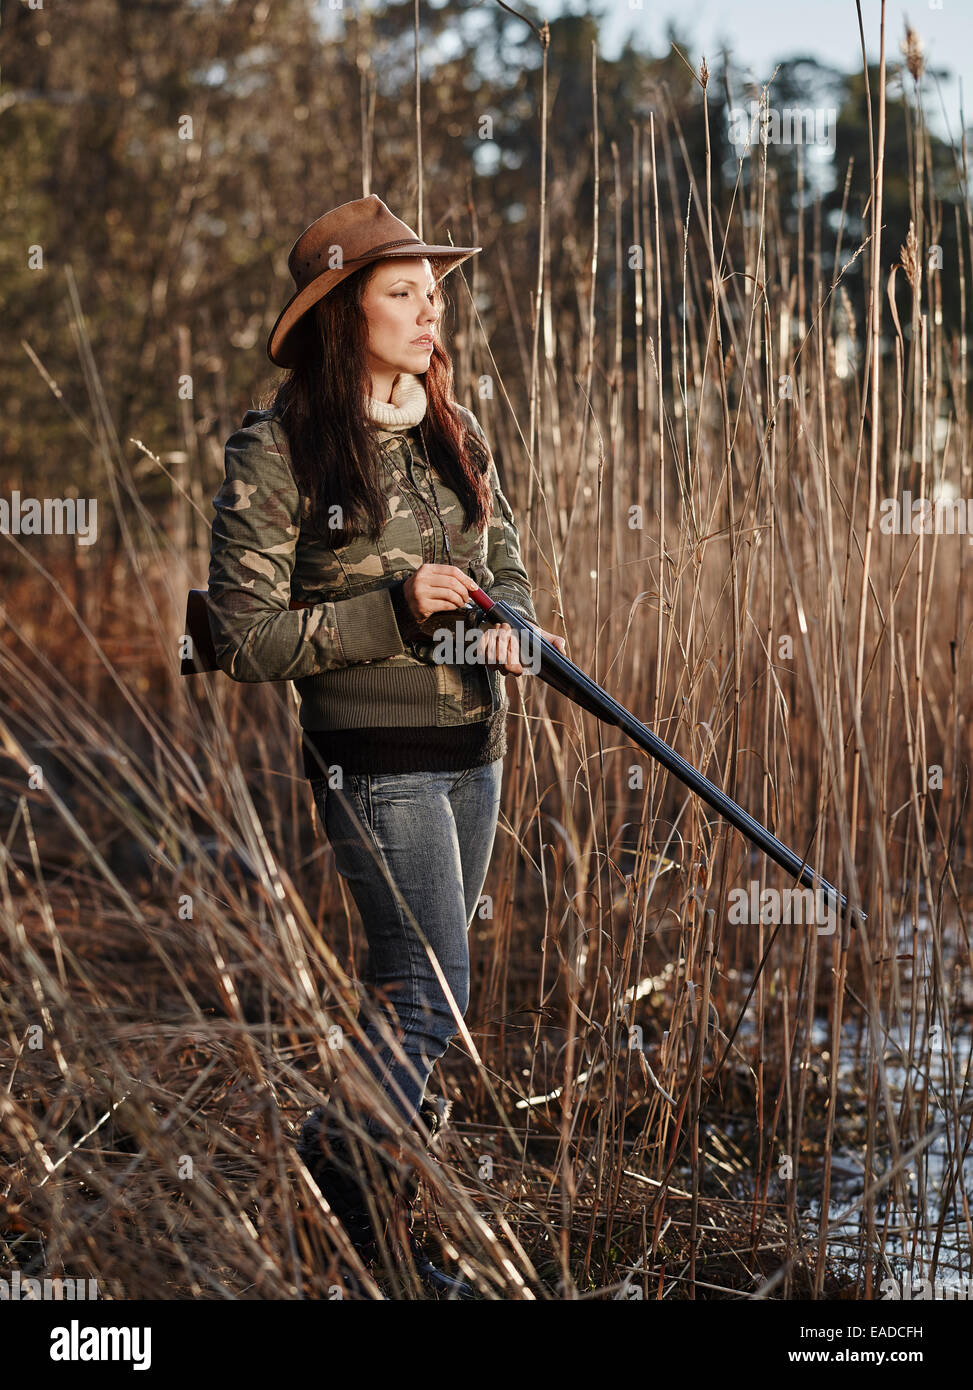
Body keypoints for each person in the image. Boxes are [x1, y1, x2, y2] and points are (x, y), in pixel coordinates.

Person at [206, 195, 565, 1296]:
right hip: (372, 755)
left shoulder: (455, 428)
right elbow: (237, 636)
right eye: (402, 293)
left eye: (434, 292)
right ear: (340, 313)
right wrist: (399, 608)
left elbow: (501, 562)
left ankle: (361, 1200)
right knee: (430, 991)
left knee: (413, 993)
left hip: (473, 744)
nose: (430, 312)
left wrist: (516, 624)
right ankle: (340, 1193)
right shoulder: (281, 451)